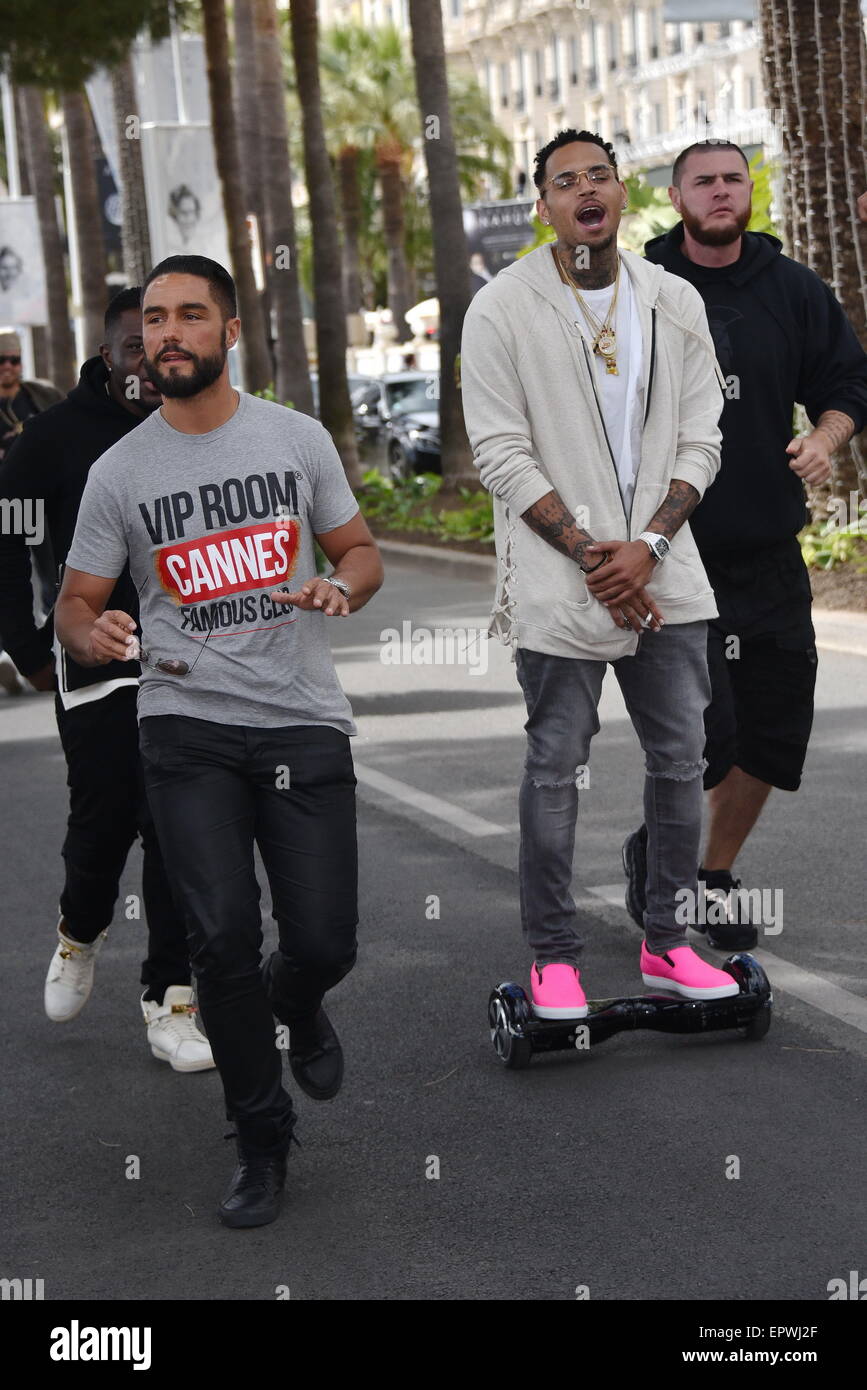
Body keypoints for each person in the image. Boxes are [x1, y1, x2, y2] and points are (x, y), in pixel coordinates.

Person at [55, 254, 383, 1229]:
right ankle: (262, 1133)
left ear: (230, 332)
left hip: (301, 714)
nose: (168, 333)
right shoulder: (119, 472)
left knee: (324, 936)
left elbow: (359, 551)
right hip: (184, 724)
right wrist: (94, 630)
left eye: (190, 315)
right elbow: (75, 602)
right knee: (219, 940)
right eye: (154, 318)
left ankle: (302, 992)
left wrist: (343, 585)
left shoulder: (294, 438)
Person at [461, 127, 740, 1019]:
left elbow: (704, 437)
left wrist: (646, 547)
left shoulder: (671, 300)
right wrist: (591, 554)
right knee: (554, 766)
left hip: (665, 569)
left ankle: (665, 944)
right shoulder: (502, 307)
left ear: (623, 196)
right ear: (542, 204)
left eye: (599, 176)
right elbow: (499, 453)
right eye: (564, 180)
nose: (585, 190)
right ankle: (552, 960)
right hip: (558, 579)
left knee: (679, 758)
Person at [621, 141, 867, 950]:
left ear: (748, 190)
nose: (720, 192)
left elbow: (844, 385)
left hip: (767, 552)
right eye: (703, 181)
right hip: (673, 555)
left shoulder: (792, 288)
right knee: (703, 735)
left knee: (769, 731)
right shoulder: (637, 290)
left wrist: (825, 438)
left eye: (732, 179)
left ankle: (711, 874)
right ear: (674, 195)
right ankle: (661, 855)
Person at [0, 288, 213, 1072]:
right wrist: (27, 643)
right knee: (104, 818)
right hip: (94, 663)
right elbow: (8, 546)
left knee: (175, 822)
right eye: (135, 349)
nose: (150, 366)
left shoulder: (197, 425)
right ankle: (78, 929)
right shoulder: (49, 442)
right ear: (108, 353)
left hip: (188, 660)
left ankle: (170, 999)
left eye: (160, 348)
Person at [0, 328, 63, 693]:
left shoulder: (38, 396)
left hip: (38, 502)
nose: (9, 367)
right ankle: (15, 655)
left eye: (15, 360)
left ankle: (54, 642)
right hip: (7, 506)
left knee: (49, 570)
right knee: (13, 575)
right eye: (2, 361)